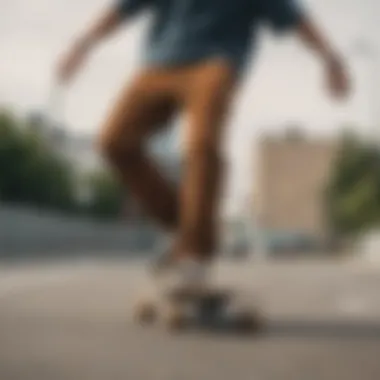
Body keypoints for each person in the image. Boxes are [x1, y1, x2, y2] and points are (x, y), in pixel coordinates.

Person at [57, 0, 350, 290]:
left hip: (216, 62)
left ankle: (194, 255)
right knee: (113, 141)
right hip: (158, 65)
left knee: (202, 143)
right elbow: (122, 10)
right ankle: (187, 229)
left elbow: (296, 18)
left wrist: (330, 59)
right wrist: (82, 46)